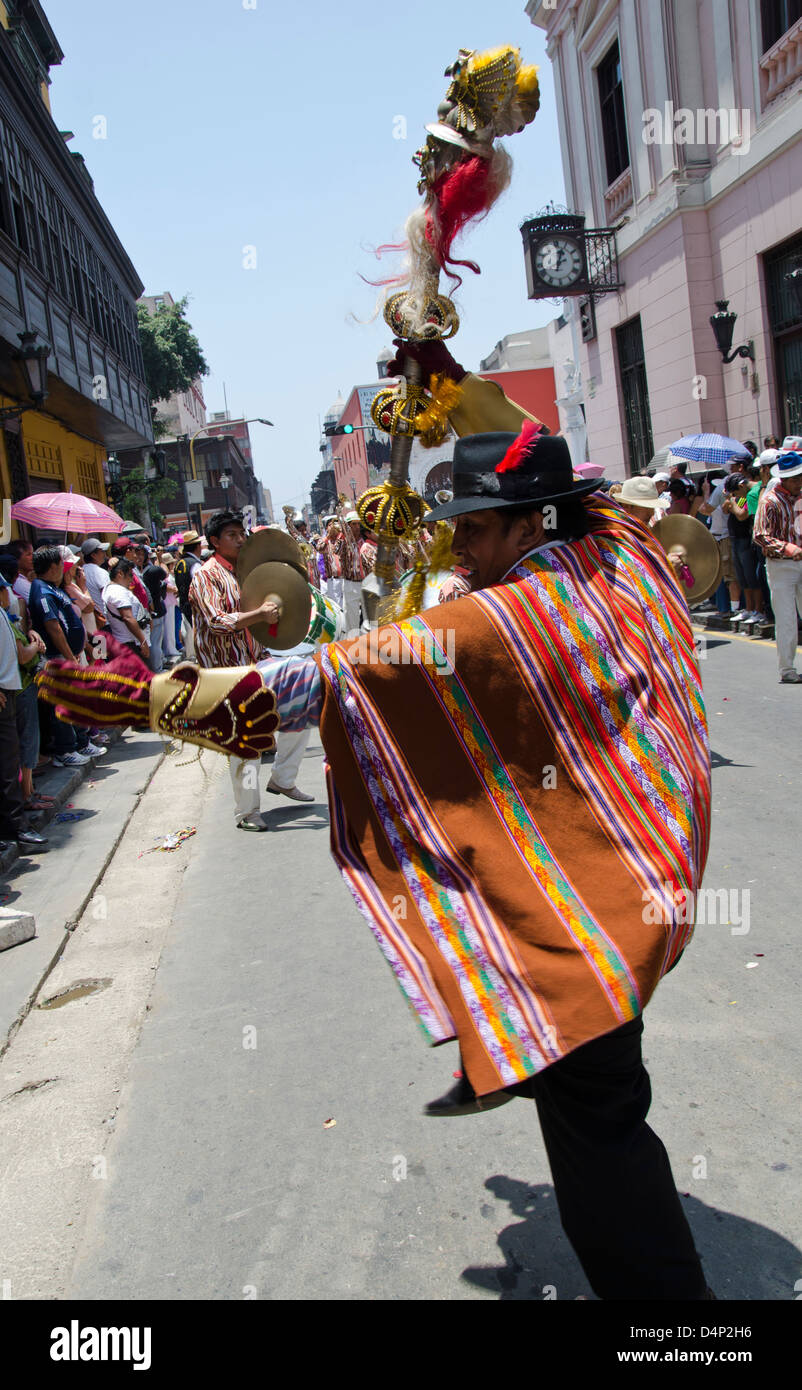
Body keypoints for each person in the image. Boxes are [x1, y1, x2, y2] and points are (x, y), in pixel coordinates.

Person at [41, 398, 717, 1300]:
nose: (460, 549)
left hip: (587, 926)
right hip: (636, 891)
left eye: (475, 529)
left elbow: (323, 680)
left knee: (604, 1138)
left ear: (535, 522)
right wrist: (452, 384)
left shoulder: (502, 621)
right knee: (594, 1098)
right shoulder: (623, 572)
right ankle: (521, 1058)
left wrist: (150, 702)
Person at [188, 509, 315, 830]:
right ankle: (247, 812)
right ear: (215, 542)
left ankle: (283, 779)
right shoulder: (206, 575)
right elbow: (217, 623)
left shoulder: (246, 571)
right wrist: (260, 613)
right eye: (232, 535)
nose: (241, 539)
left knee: (302, 706)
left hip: (258, 662)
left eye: (241, 533)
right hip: (226, 671)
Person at [28, 546, 105, 766]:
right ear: (53, 567)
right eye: (62, 565)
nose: (65, 569)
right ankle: (65, 749)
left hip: (72, 654)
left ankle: (81, 742)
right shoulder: (42, 591)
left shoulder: (54, 588)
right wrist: (69, 656)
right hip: (58, 657)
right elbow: (53, 627)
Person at [0, 576, 49, 854]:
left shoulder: (5, 615)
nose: (9, 593)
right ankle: (14, 827)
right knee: (8, 768)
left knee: (10, 764)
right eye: (5, 589)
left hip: (10, 692)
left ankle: (13, 826)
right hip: (6, 694)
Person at [752, 451, 802, 682]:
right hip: (781, 564)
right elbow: (760, 535)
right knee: (786, 618)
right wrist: (788, 548)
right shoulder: (767, 499)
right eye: (795, 478)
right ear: (783, 479)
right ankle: (787, 669)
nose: (799, 482)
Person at [722, 474, 764, 626]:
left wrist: (732, 502)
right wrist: (732, 502)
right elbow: (726, 509)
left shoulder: (751, 494)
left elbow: (741, 515)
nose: (734, 496)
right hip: (737, 538)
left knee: (752, 576)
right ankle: (749, 608)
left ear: (741, 486)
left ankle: (758, 610)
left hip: (747, 539)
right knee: (742, 577)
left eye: (735, 493)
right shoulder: (742, 496)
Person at [103, 558, 151, 659]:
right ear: (120, 573)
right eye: (130, 575)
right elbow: (128, 618)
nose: (132, 579)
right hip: (130, 644)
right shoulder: (118, 591)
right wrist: (142, 641)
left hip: (131, 643)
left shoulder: (115, 588)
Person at [174, 530, 203, 658]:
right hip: (195, 606)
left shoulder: (179, 563)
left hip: (184, 603)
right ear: (198, 547)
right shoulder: (195, 564)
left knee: (191, 632)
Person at [141, 549, 167, 674]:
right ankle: (157, 669)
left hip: (149, 612)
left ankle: (157, 666)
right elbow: (164, 573)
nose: (138, 557)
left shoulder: (140, 572)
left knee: (154, 642)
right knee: (156, 642)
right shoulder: (153, 569)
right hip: (155, 611)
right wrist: (159, 559)